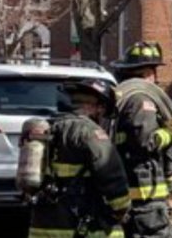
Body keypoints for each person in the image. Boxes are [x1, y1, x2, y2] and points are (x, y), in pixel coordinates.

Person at [28, 77, 131, 238]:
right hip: (80, 225)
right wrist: (121, 209)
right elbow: (110, 173)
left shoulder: (48, 128)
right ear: (99, 107)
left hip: (43, 225)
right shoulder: (90, 133)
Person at [110, 42, 172, 238]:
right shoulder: (140, 100)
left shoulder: (122, 96)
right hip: (143, 194)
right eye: (154, 71)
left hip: (134, 189)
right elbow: (146, 142)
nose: (156, 78)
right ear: (147, 72)